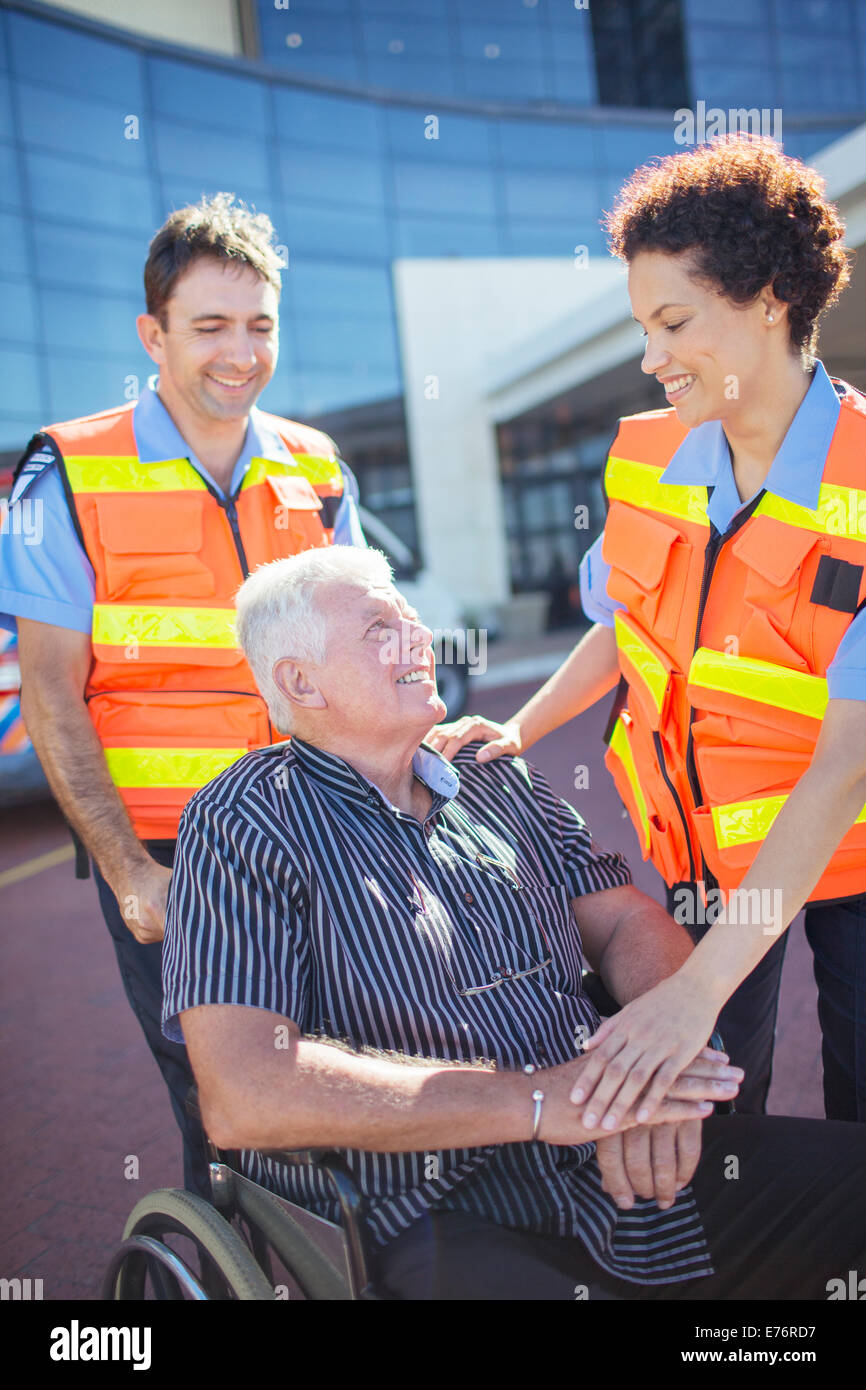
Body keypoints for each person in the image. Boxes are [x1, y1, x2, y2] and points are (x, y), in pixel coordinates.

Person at [161, 545, 866, 1301]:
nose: (420, 638)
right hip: (433, 1211)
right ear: (300, 682)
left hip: (617, 1160)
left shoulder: (494, 774)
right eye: (377, 629)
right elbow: (244, 1092)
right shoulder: (243, 819)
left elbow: (626, 922)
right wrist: (540, 1102)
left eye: (413, 619)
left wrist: (656, 1062)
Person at [429, 134, 866, 1126]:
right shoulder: (644, 459)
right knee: (710, 1115)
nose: (648, 357)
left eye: (671, 322)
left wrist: (693, 989)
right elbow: (622, 621)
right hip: (703, 855)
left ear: (767, 296)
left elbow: (844, 767)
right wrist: (520, 729)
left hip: (849, 843)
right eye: (640, 326)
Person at [0, 193, 365, 1198]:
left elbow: (358, 651)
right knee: (223, 1106)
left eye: (260, 326)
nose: (239, 353)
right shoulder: (66, 471)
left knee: (350, 1077)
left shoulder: (317, 470)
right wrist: (126, 873)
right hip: (171, 860)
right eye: (209, 327)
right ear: (151, 335)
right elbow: (50, 692)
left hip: (318, 834)